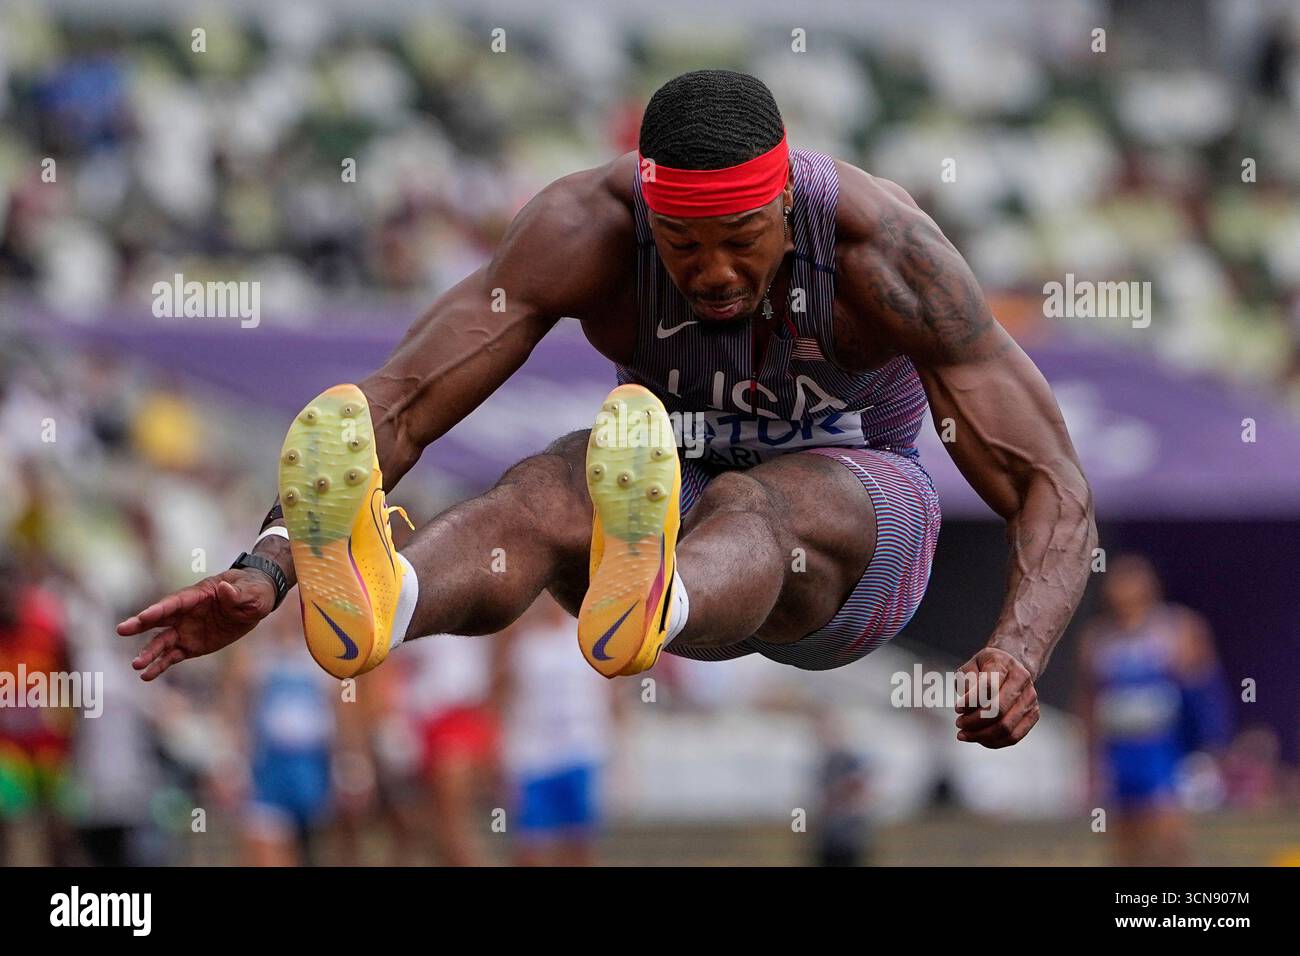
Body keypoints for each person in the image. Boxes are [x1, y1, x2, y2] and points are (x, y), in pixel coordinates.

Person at [120, 69, 1096, 752]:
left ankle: (650, 601)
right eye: (682, 243)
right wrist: (269, 562)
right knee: (542, 488)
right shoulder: (584, 228)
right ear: (646, 209)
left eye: (740, 241)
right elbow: (409, 401)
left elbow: (1047, 481)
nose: (712, 270)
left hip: (855, 539)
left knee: (759, 505)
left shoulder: (887, 251)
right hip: (672, 482)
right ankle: (388, 601)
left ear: (786, 213)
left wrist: (1015, 649)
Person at [1075, 554, 1230, 866]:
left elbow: (1206, 690)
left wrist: (1211, 748)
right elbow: (1088, 702)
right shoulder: (1098, 639)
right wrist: (1090, 760)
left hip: (1164, 748)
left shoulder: (1178, 629)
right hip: (1121, 749)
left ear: (1150, 586)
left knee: (1169, 838)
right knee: (1126, 840)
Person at [493, 593, 618, 866]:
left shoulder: (589, 638)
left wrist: (618, 755)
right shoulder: (522, 642)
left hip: (580, 750)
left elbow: (610, 697)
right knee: (530, 845)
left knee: (579, 844)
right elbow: (501, 695)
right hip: (533, 755)